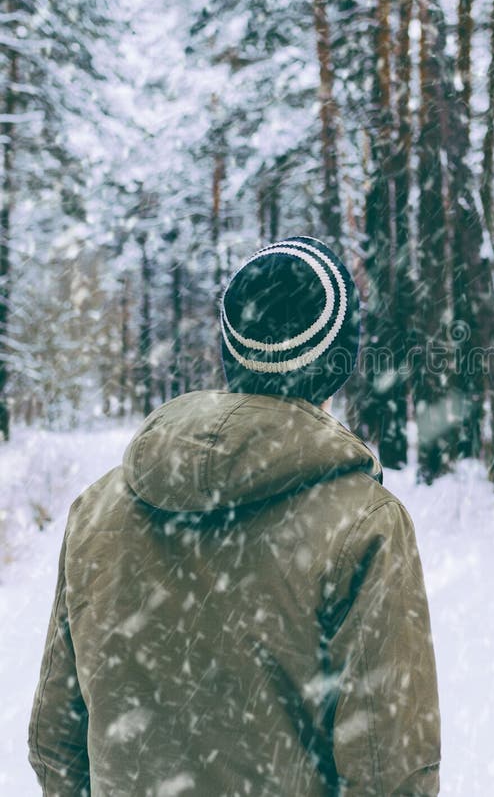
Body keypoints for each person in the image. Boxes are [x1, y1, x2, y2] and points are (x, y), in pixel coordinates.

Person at [28, 235, 441, 796]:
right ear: (338, 364)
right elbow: (388, 773)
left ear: (230, 352)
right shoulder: (363, 523)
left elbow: (54, 741)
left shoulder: (98, 508)